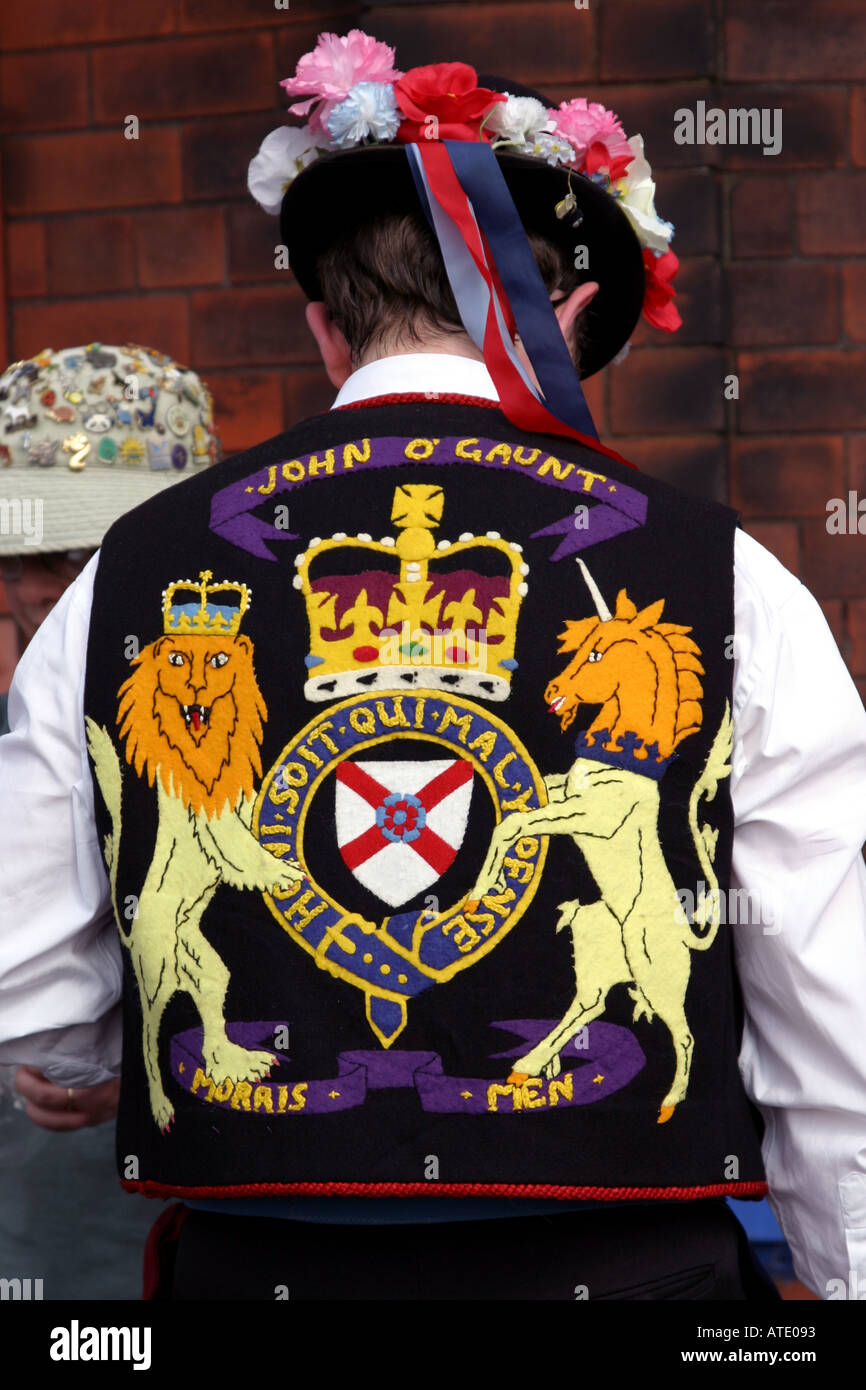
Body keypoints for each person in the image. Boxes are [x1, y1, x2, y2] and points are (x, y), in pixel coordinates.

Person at [1, 34, 865, 1302]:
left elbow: (29, 981)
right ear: (560, 314)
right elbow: (831, 1010)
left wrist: (83, 1061)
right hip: (626, 1279)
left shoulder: (121, 576)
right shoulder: (732, 576)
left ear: (321, 325)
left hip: (263, 1280)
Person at [0, 342, 220, 1299]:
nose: (60, 584)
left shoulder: (257, 745)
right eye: (33, 550)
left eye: (97, 553)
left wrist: (137, 1072)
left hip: (183, 1229)